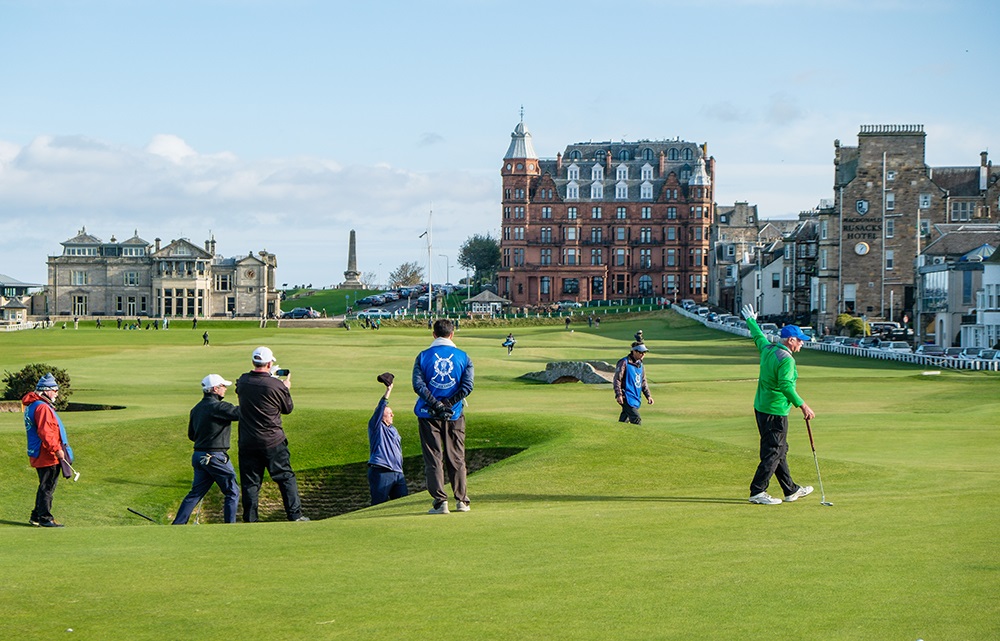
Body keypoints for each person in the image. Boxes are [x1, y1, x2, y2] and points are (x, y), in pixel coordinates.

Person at [740, 304, 815, 505]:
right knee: (774, 451)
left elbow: (758, 336)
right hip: (775, 411)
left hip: (761, 408)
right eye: (800, 340)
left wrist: (751, 321)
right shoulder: (787, 360)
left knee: (779, 449)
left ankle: (790, 490)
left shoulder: (768, 349)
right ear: (790, 340)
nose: (802, 343)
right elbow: (785, 386)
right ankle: (758, 491)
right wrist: (803, 405)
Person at [235, 346, 308, 522]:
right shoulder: (276, 385)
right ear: (269, 364)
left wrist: (271, 379)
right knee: (285, 477)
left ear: (253, 362)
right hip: (272, 440)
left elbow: (253, 384)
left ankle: (250, 520)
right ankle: (295, 515)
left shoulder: (243, 381)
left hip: (247, 441)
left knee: (250, 483)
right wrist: (285, 388)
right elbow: (287, 409)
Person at [413, 319, 475, 514]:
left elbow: (418, 385)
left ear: (433, 334)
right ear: (452, 334)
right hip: (454, 414)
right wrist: (448, 404)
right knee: (456, 457)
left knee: (433, 458)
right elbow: (467, 387)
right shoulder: (464, 357)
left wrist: (437, 404)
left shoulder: (423, 356)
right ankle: (462, 501)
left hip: (428, 414)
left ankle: (440, 503)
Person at [173, 374, 241, 524]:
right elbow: (240, 413)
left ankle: (178, 524)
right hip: (215, 457)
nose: (225, 389)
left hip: (198, 456)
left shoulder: (196, 409)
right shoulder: (219, 407)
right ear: (215, 389)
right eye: (223, 386)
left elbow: (192, 435)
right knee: (232, 491)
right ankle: (230, 527)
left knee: (195, 493)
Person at [23, 373, 73, 527]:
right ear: (46, 390)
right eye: (55, 390)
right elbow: (46, 432)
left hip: (40, 452)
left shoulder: (34, 405)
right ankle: (45, 518)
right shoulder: (42, 407)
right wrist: (57, 449)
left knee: (44, 485)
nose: (57, 393)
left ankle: (36, 516)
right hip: (47, 454)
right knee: (48, 487)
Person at [366, 373, 408, 505]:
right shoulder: (376, 427)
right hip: (382, 471)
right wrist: (388, 390)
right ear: (382, 416)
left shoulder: (393, 429)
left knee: (402, 503)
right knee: (379, 504)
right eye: (389, 413)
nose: (392, 415)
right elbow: (380, 408)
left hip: (398, 472)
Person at [613, 343, 654, 424]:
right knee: (636, 418)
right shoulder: (624, 362)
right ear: (634, 351)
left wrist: (648, 396)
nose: (643, 354)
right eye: (641, 352)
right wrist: (619, 394)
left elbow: (643, 382)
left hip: (635, 396)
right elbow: (617, 379)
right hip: (625, 395)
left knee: (624, 419)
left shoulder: (640, 365)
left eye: (644, 352)